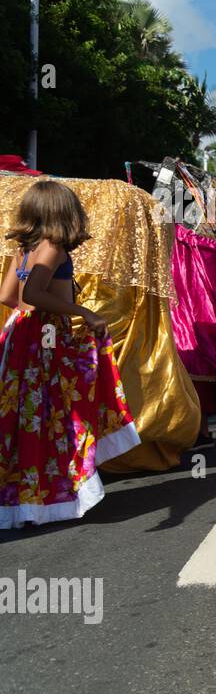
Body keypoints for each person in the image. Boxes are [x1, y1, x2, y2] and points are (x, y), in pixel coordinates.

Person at [0, 180, 140, 527]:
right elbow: (33, 292)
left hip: (23, 337)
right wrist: (82, 312)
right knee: (52, 412)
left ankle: (30, 493)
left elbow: (9, 296)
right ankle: (47, 491)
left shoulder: (24, 248)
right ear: (64, 213)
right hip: (44, 339)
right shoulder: (54, 248)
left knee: (29, 415)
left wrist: (31, 322)